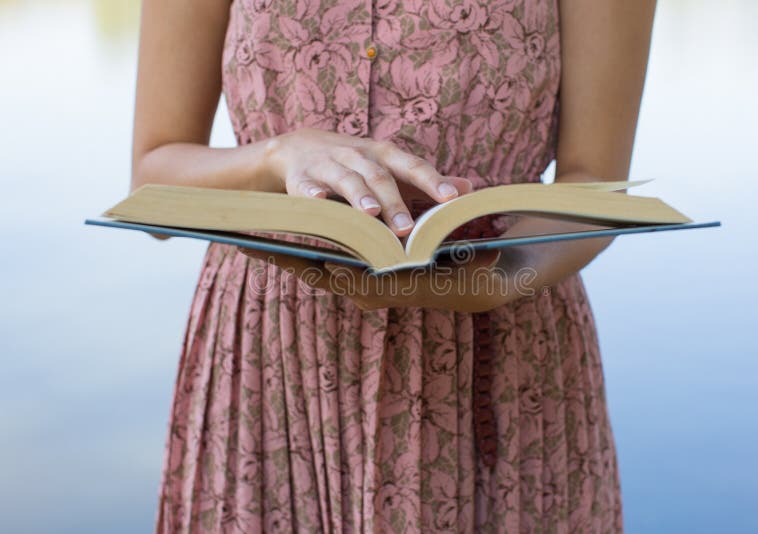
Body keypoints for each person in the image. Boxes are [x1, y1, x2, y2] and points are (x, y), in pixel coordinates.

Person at [132, 0, 656, 531]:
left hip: (502, 353)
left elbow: (594, 183)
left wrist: (504, 274)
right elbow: (150, 180)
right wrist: (277, 156)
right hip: (268, 362)